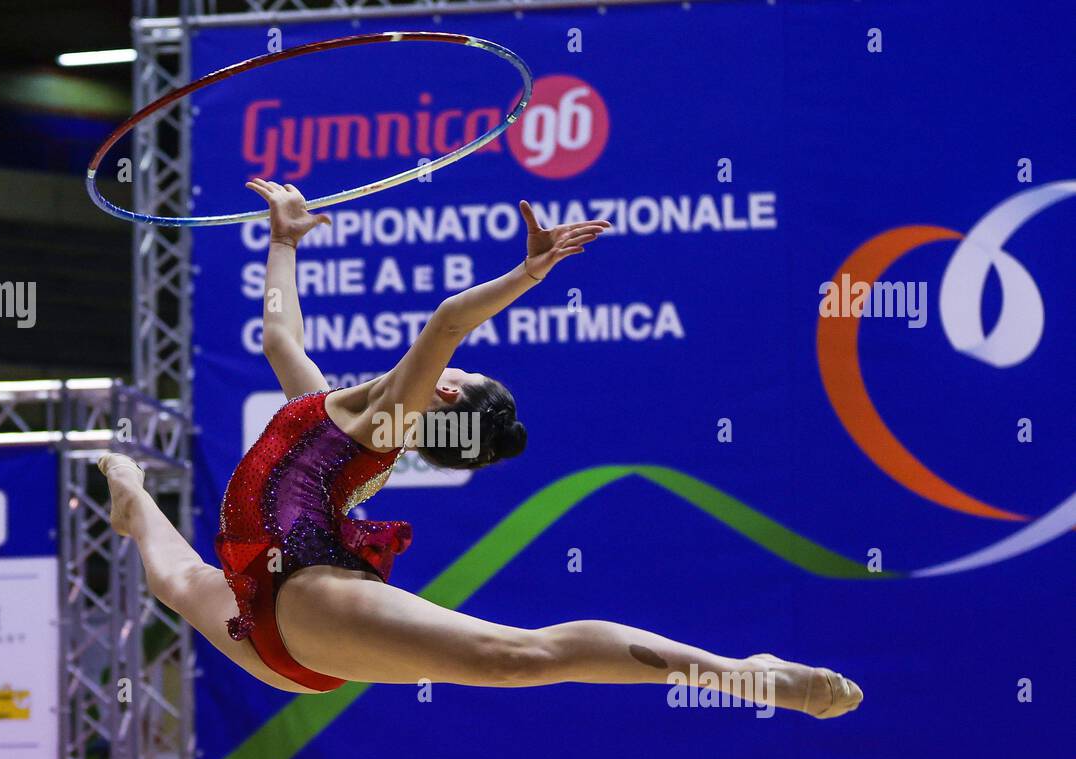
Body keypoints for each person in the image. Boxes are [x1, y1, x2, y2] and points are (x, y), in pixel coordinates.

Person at [97, 179, 862, 717]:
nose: (450, 366)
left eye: (460, 372)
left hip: (302, 601)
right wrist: (284, 244)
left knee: (517, 658)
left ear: (451, 396)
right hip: (274, 635)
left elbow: (446, 322)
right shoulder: (325, 407)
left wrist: (527, 273)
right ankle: (130, 496)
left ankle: (740, 675)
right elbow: (277, 332)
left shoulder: (385, 425)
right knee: (172, 575)